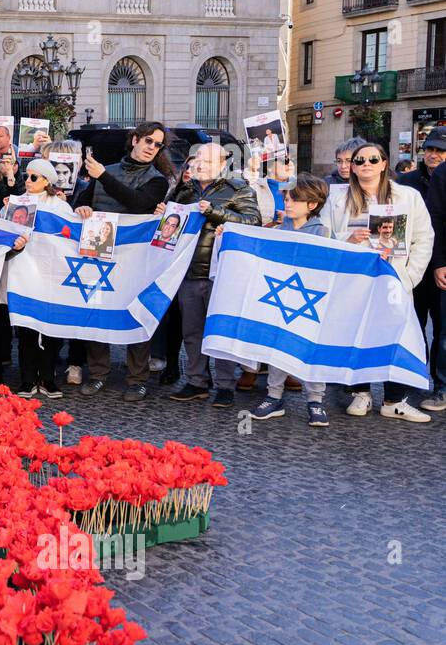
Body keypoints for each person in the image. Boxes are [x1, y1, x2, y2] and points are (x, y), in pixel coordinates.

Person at [323, 141, 435, 422]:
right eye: (360, 161)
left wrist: (408, 277)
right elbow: (322, 238)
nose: (366, 165)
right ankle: (360, 392)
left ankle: (394, 399)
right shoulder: (337, 199)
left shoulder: (408, 197)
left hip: (394, 279)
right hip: (354, 282)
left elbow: (424, 238)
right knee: (356, 334)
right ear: (352, 167)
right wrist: (346, 240)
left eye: (373, 160)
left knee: (394, 335)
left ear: (384, 163)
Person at [74, 121, 173, 401]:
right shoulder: (106, 172)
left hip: (135, 257)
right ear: (135, 140)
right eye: (148, 141)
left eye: (157, 145)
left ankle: (137, 378)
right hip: (98, 250)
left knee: (135, 313)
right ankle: (97, 373)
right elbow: (84, 201)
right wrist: (82, 206)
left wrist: (103, 176)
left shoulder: (157, 179)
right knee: (97, 310)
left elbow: (138, 203)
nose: (152, 148)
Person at [165, 143, 263, 407]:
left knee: (220, 332)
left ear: (222, 164)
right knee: (192, 332)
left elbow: (254, 222)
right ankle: (196, 381)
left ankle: (225, 385)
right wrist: (161, 215)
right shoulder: (184, 191)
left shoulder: (239, 189)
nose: (199, 164)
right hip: (188, 272)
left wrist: (214, 212)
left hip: (222, 274)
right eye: (197, 159)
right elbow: (170, 224)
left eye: (207, 161)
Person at [247, 174, 332, 427]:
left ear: (312, 205)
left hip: (311, 301)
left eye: (295, 198)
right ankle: (274, 396)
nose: (288, 201)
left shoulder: (323, 232)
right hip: (282, 298)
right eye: (287, 196)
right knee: (277, 348)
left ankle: (315, 400)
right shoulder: (279, 229)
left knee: (312, 349)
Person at [397, 126, 446, 405]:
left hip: (439, 264)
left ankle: (440, 382)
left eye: (440, 150)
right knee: (414, 324)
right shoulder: (406, 181)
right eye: (429, 149)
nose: (433, 154)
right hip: (413, 265)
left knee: (441, 327)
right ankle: (415, 376)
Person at [8, 159, 65, 397]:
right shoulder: (18, 203)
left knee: (50, 328)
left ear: (47, 181)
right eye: (26, 176)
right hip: (23, 271)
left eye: (34, 177)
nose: (28, 181)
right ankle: (28, 379)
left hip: (50, 274)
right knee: (26, 328)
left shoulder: (60, 206)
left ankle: (48, 378)